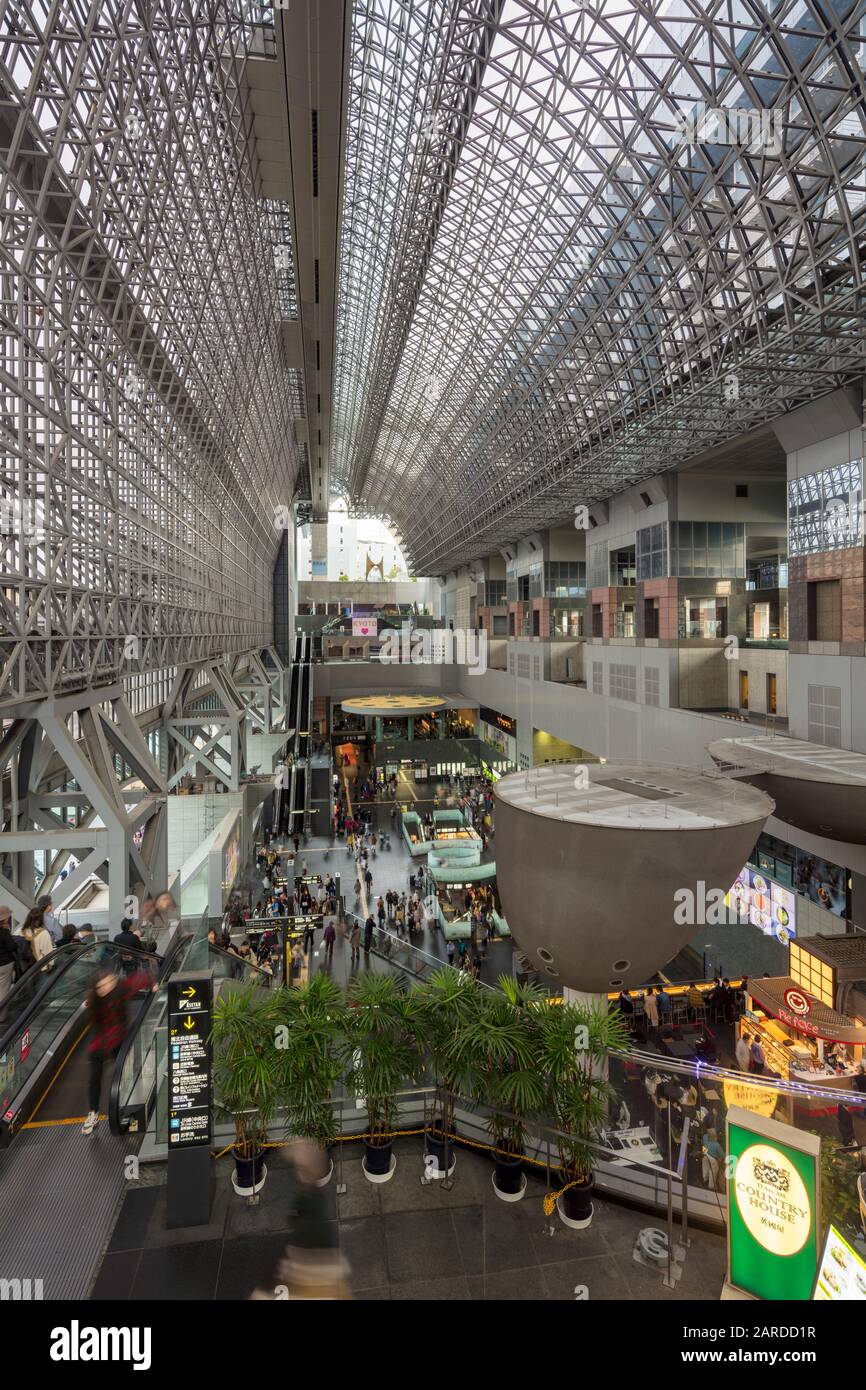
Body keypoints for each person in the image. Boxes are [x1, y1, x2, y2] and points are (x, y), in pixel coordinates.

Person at [82, 963, 157, 1134]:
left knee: (123, 1072)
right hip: (101, 1041)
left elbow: (141, 979)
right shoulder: (94, 1001)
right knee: (95, 1076)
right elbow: (94, 1023)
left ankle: (126, 1105)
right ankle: (93, 1112)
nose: (104, 988)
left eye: (108, 982)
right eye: (100, 986)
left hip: (118, 1038)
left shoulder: (121, 988)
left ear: (114, 981)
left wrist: (153, 984)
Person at [0, 906, 16, 1004]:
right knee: (3, 990)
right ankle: (2, 1015)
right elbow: (12, 947)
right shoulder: (4, 932)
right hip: (5, 963)